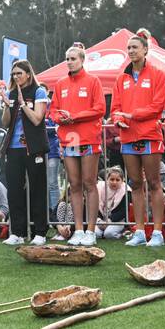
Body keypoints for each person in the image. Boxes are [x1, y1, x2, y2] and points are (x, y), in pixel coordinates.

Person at [114, 31, 165, 249]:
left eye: (134, 48)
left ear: (145, 49)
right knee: (135, 184)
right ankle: (139, 230)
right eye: (128, 48)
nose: (131, 51)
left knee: (155, 183)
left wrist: (133, 115)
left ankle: (156, 231)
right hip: (128, 136)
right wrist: (119, 118)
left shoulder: (157, 74)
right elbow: (115, 108)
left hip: (150, 134)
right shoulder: (122, 77)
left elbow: (159, 105)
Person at [51, 43, 106, 246]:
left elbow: (100, 108)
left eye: (73, 58)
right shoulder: (60, 84)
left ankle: (91, 231)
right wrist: (60, 118)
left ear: (82, 60)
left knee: (89, 184)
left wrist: (75, 117)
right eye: (67, 58)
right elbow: (53, 110)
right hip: (68, 139)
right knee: (74, 185)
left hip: (89, 138)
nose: (69, 61)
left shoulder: (93, 81)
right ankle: (79, 230)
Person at [0, 59, 50, 245]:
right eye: (13, 74)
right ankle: (17, 232)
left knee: (37, 188)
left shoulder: (39, 91)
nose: (16, 77)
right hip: (13, 148)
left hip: (33, 147)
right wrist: (6, 105)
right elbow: (5, 123)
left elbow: (37, 119)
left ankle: (40, 232)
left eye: (19, 73)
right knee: (14, 190)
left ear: (28, 74)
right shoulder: (12, 93)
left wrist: (22, 104)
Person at [96, 165, 131, 237]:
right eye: (112, 179)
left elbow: (123, 211)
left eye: (117, 180)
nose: (114, 182)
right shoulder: (99, 187)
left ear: (122, 180)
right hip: (100, 220)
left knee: (109, 234)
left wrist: (109, 221)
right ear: (107, 179)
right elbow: (93, 207)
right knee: (96, 234)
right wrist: (99, 220)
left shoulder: (126, 190)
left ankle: (122, 233)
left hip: (117, 221)